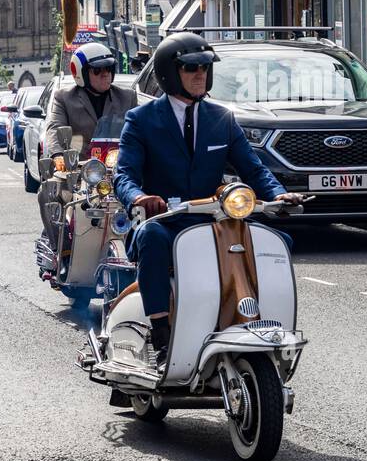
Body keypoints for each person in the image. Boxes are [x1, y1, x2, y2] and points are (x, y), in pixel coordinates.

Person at [113, 32, 302, 360]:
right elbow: (124, 174)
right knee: (152, 237)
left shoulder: (222, 118)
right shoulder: (141, 120)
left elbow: (254, 170)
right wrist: (139, 197)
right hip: (166, 219)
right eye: (191, 68)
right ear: (170, 73)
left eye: (204, 67)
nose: (200, 74)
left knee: (278, 240)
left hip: (214, 220)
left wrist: (279, 196)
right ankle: (161, 331)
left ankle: (263, 319)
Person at [37, 42, 136, 257]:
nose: (105, 75)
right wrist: (57, 156)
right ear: (80, 73)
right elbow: (54, 127)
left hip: (121, 168)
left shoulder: (127, 97)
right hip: (79, 170)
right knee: (47, 193)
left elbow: (141, 129)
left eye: (109, 69)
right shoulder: (65, 98)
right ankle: (61, 250)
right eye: (98, 70)